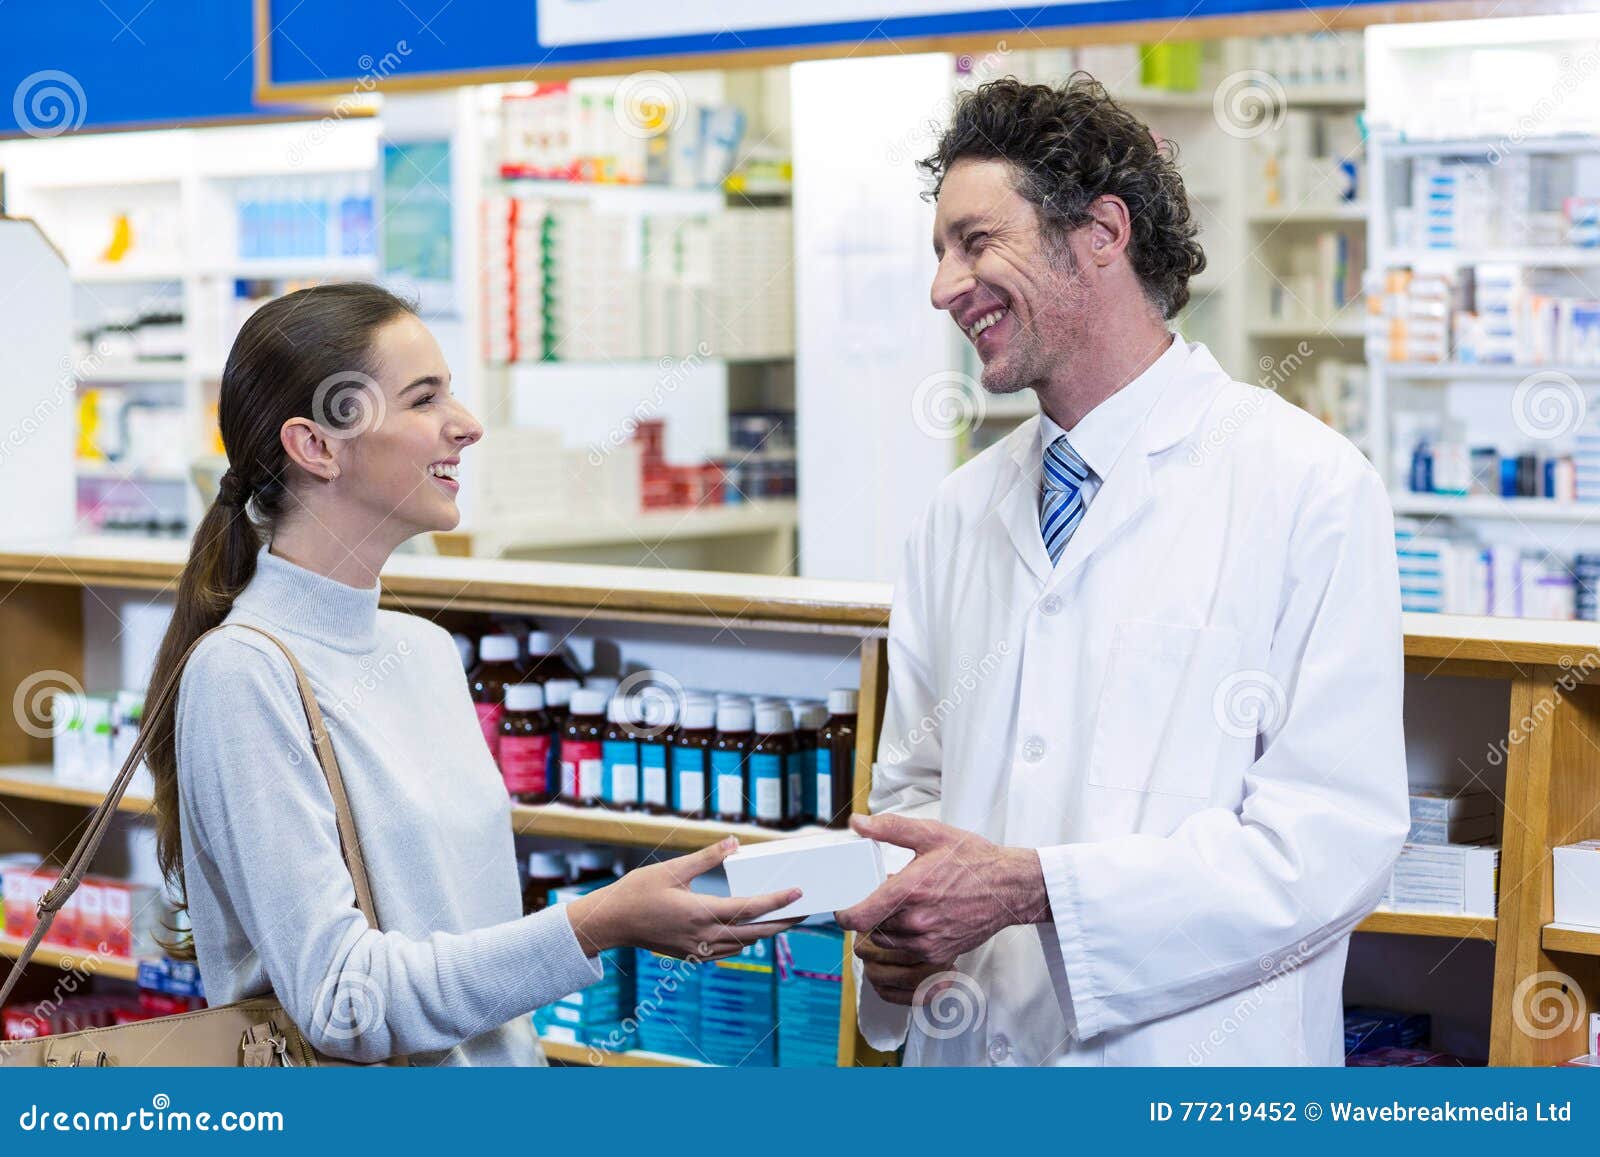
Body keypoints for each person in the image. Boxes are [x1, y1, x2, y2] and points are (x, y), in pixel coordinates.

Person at [834, 77, 1408, 1066]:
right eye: (939, 252)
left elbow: (1328, 842)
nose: (942, 286)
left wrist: (1035, 888)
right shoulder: (955, 515)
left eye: (974, 242)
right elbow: (913, 785)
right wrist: (894, 937)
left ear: (1101, 230)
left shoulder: (1304, 487)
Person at [145, 283, 798, 1066]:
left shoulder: (423, 651)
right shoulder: (241, 676)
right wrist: (593, 923)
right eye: (425, 399)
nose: (468, 425)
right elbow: (342, 1001)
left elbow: (473, 944)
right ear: (317, 446)